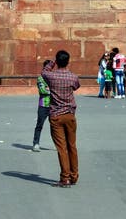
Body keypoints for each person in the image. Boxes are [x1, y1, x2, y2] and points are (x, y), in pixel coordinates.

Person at [42, 49, 80, 187]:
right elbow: (76, 87)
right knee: (72, 146)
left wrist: (53, 61)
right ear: (68, 61)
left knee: (62, 148)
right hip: (69, 114)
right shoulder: (73, 77)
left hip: (56, 115)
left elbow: (44, 71)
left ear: (57, 62)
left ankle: (65, 178)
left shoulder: (51, 76)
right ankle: (74, 176)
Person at [32, 59, 54, 151]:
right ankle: (36, 143)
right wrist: (52, 90)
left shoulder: (53, 77)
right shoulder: (40, 78)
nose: (50, 69)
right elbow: (43, 90)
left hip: (53, 105)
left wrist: (49, 89)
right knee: (39, 125)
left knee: (55, 126)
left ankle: (59, 144)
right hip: (43, 105)